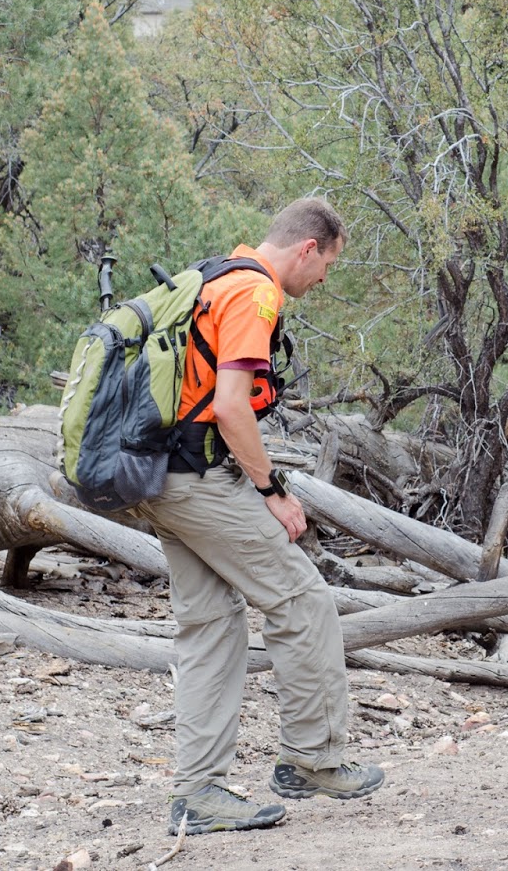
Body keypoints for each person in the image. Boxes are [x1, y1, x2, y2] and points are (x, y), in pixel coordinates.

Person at [136, 197, 384, 835]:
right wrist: (273, 489)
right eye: (326, 267)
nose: (321, 281)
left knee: (211, 624)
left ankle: (198, 793)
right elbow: (231, 407)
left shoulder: (210, 277)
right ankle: (311, 760)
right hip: (195, 480)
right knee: (304, 602)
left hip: (156, 475)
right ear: (308, 248)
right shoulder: (256, 294)